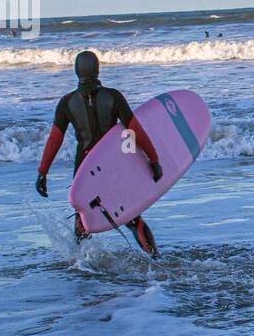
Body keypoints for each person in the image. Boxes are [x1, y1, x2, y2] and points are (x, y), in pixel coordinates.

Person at [34, 50, 164, 255]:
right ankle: (155, 260)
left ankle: (82, 265)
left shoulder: (67, 102)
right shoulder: (113, 97)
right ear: (98, 69)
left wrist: (43, 172)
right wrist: (153, 159)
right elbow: (134, 130)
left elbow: (55, 139)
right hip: (112, 165)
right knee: (132, 216)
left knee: (82, 220)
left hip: (84, 170)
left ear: (76, 71)